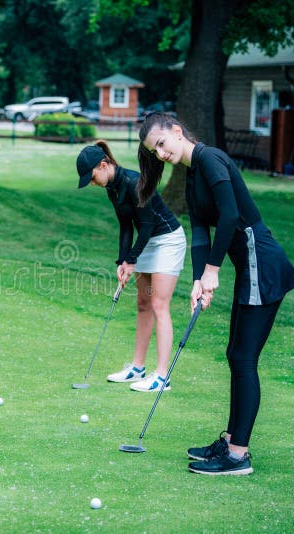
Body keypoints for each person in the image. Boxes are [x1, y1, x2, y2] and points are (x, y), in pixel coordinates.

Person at [137, 113, 294, 475]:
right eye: (154, 151)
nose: (160, 153)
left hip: (261, 261)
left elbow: (229, 216)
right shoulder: (193, 174)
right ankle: (231, 440)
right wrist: (198, 279)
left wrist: (213, 271)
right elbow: (200, 232)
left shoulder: (210, 158)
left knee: (243, 358)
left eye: (161, 144)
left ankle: (238, 456)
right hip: (249, 268)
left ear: (177, 131)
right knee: (235, 354)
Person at [76, 140, 187, 392]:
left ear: (103, 165)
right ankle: (137, 367)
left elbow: (146, 225)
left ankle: (162, 376)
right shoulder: (112, 188)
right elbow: (127, 226)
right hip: (146, 241)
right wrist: (122, 260)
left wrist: (132, 258)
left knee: (159, 304)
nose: (93, 183)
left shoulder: (134, 182)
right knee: (143, 303)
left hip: (167, 240)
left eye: (92, 177)